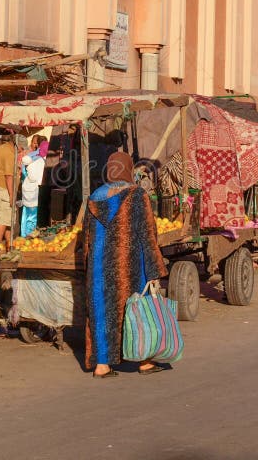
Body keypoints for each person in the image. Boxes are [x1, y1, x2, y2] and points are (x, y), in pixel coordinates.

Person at [84, 151, 168, 378]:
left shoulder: (94, 198)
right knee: (137, 310)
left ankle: (102, 365)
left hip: (99, 267)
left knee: (103, 312)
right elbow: (148, 235)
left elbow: (87, 237)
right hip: (130, 266)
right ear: (128, 169)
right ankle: (145, 361)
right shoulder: (137, 195)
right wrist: (154, 269)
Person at [0, 136, 16, 243]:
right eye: (21, 149)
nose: (21, 151)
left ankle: (9, 243)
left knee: (6, 217)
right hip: (4, 187)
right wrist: (11, 194)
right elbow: (9, 175)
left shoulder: (0, 148)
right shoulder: (9, 153)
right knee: (4, 216)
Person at [19, 153, 44, 237]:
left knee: (25, 215)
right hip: (32, 195)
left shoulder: (28, 167)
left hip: (28, 195)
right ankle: (29, 234)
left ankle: (24, 233)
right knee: (32, 216)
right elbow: (34, 177)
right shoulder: (39, 163)